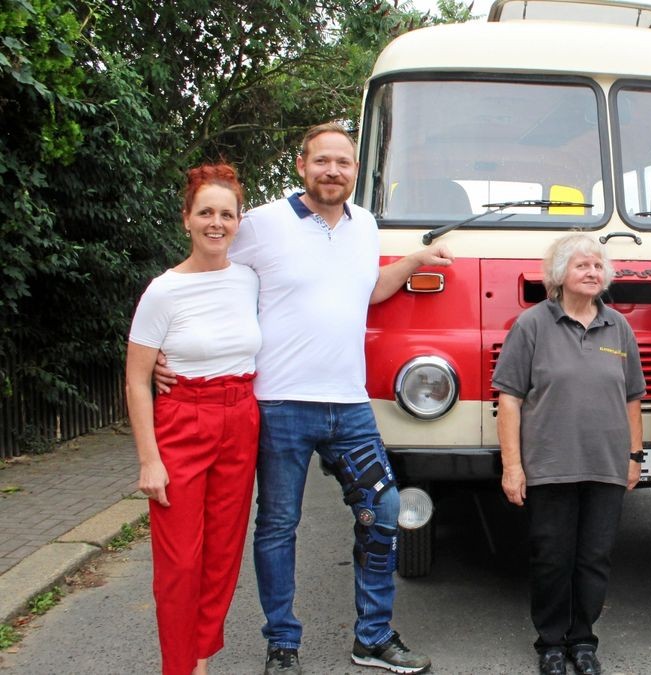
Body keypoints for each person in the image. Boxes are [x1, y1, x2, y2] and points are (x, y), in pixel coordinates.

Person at [155, 123, 453, 675]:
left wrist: (412, 261)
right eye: (322, 161)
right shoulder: (262, 224)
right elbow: (207, 270)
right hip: (278, 404)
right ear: (302, 164)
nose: (333, 171)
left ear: (354, 171)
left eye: (343, 162)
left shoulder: (365, 226)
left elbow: (367, 291)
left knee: (383, 510)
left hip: (349, 403)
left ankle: (372, 637)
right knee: (277, 525)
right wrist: (157, 348)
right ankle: (282, 644)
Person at [126, 163, 261, 675]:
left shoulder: (249, 280)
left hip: (241, 417)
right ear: (186, 219)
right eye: (205, 211)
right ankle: (178, 667)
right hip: (183, 420)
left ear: (238, 221)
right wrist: (149, 461)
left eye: (227, 214)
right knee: (180, 563)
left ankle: (199, 660)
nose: (216, 222)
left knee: (222, 556)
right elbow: (138, 379)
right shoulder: (163, 291)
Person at [492, 234, 646, 675]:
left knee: (594, 558)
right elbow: (509, 399)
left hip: (606, 466)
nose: (592, 272)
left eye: (598, 266)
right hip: (550, 466)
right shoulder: (532, 325)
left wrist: (634, 457)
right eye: (582, 265)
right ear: (560, 275)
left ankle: (583, 641)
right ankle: (550, 644)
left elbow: (633, 397)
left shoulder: (619, 327)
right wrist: (513, 466)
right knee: (552, 558)